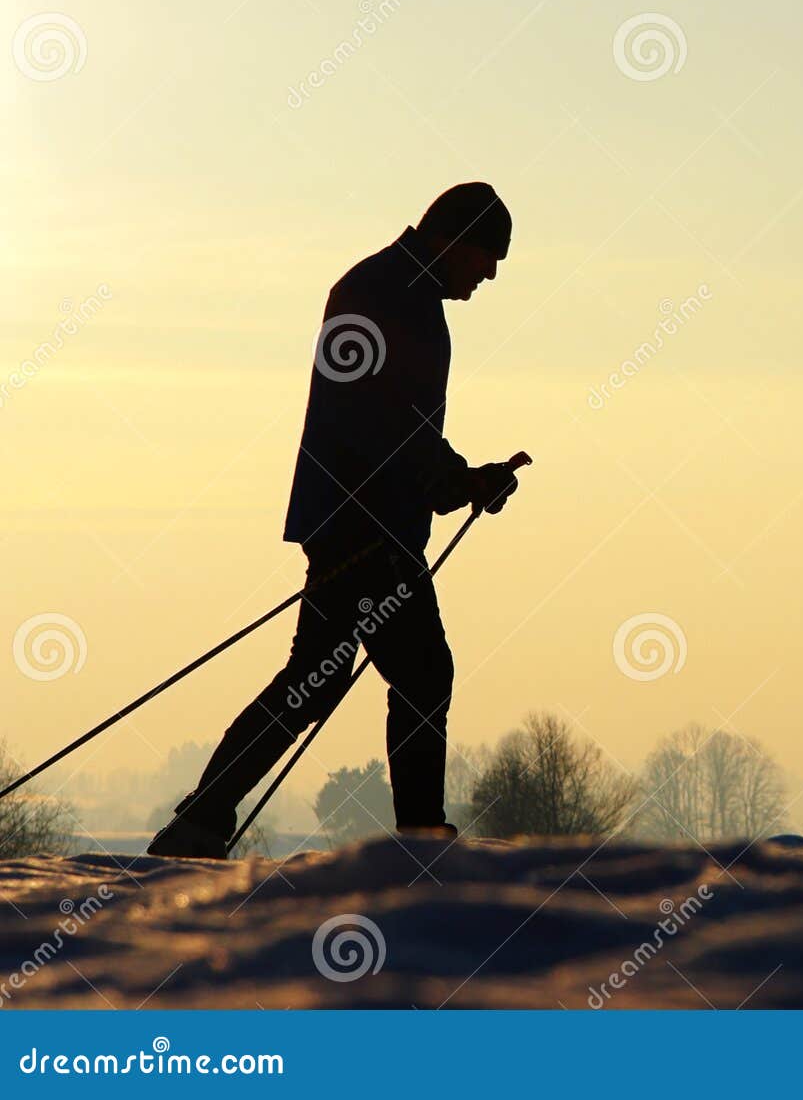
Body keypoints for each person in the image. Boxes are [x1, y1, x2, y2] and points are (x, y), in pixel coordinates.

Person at [148, 182, 524, 859]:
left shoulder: (387, 291)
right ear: (453, 239)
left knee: (314, 680)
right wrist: (459, 482)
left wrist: (461, 482)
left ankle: (200, 820)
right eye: (486, 257)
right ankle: (419, 842)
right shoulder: (390, 298)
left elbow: (394, 427)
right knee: (419, 673)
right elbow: (385, 426)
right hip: (369, 530)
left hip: (356, 523)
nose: (490, 275)